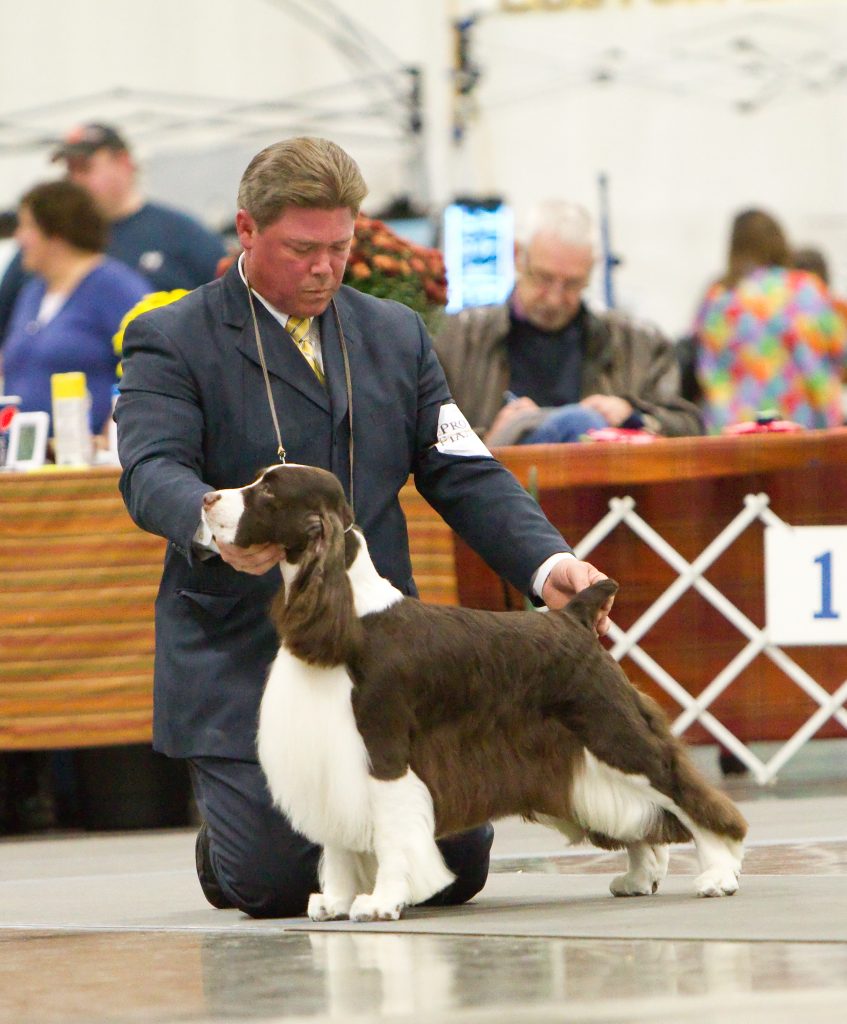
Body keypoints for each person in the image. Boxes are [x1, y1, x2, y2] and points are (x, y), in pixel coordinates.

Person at [116, 136, 612, 918]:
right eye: (301, 249)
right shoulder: (175, 338)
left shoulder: (394, 333)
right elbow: (150, 473)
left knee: (451, 871)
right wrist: (214, 530)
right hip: (245, 652)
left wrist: (547, 565)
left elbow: (464, 468)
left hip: (386, 660)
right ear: (245, 232)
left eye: (339, 248)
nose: (323, 269)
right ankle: (231, 834)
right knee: (278, 885)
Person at [433, 200, 703, 446]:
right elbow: (422, 442)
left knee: (581, 424)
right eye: (543, 278)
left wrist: (631, 415)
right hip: (492, 491)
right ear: (518, 257)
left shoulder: (639, 345)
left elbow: (690, 428)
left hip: (604, 491)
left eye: (571, 284)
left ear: (589, 274)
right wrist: (489, 443)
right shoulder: (457, 341)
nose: (554, 298)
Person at [0, 123, 226, 339]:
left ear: (124, 163)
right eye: (70, 171)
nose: (75, 180)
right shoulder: (52, 244)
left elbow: (230, 310)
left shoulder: (181, 235)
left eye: (85, 168)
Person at [1, 180, 149, 431]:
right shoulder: (32, 292)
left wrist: (113, 432)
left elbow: (149, 365)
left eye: (26, 227)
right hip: (28, 454)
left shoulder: (115, 287)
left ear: (56, 234)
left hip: (88, 455)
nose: (19, 237)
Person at [693, 210, 846, 432]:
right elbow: (840, 352)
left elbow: (705, 368)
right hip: (805, 427)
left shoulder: (719, 299)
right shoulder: (805, 290)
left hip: (736, 432)